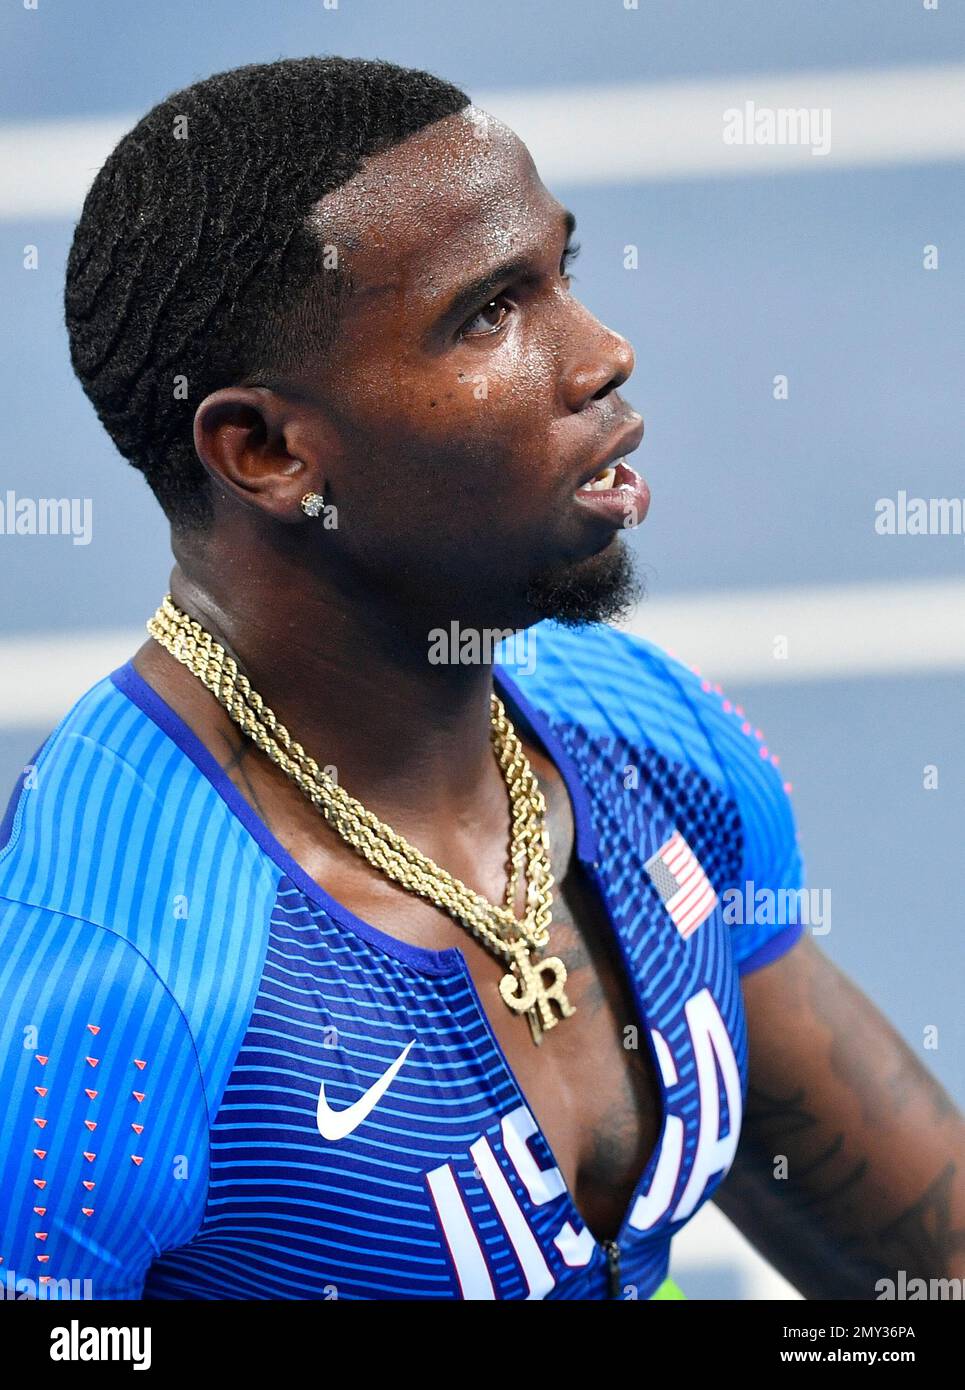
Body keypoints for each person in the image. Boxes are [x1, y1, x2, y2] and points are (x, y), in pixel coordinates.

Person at [1, 56, 962, 1302]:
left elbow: (920, 1267)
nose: (603, 353)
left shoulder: (645, 741)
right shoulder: (105, 986)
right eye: (489, 313)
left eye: (562, 270)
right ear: (267, 450)